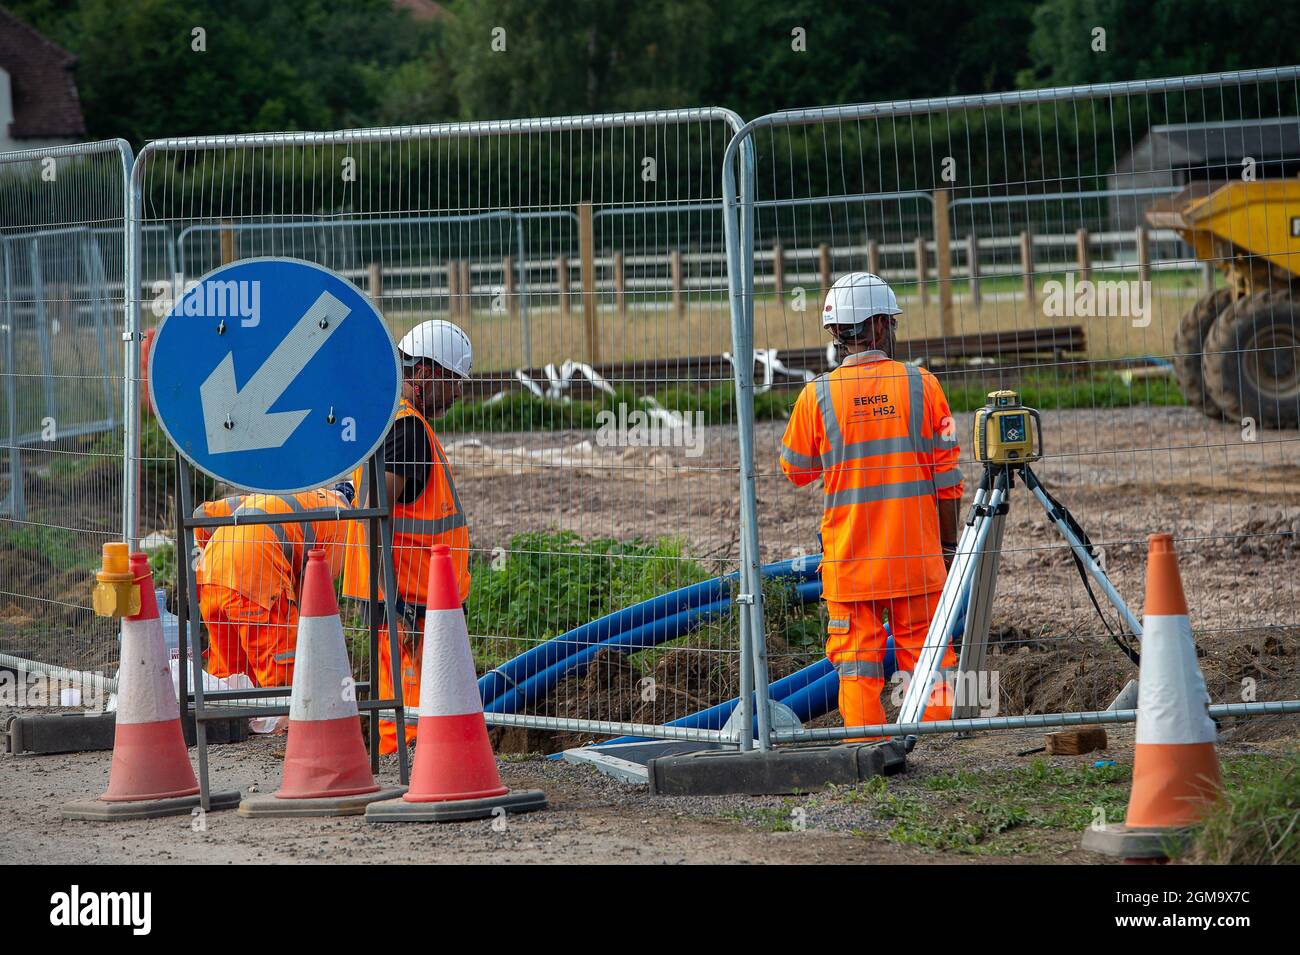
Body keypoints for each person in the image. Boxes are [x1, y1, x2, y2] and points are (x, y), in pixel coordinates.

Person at [779, 272, 964, 737]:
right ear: (881, 326)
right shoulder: (923, 386)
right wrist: (946, 546)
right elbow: (949, 482)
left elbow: (796, 470)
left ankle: (865, 750)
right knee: (927, 652)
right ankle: (936, 744)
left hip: (850, 563)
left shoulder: (816, 396)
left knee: (858, 665)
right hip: (916, 557)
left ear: (836, 333)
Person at [341, 319, 472, 755]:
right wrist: (396, 603)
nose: (457, 395)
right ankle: (413, 775)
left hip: (408, 595)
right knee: (412, 707)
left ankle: (411, 768)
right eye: (454, 382)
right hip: (411, 600)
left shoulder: (392, 419)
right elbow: (376, 513)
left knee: (405, 698)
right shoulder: (407, 430)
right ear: (429, 373)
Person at [193, 487, 351, 688]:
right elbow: (312, 594)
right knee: (282, 680)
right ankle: (284, 718)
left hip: (211, 577)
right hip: (258, 581)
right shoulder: (345, 521)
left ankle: (231, 719)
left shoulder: (286, 493)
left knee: (229, 681)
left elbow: (202, 514)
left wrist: (217, 556)